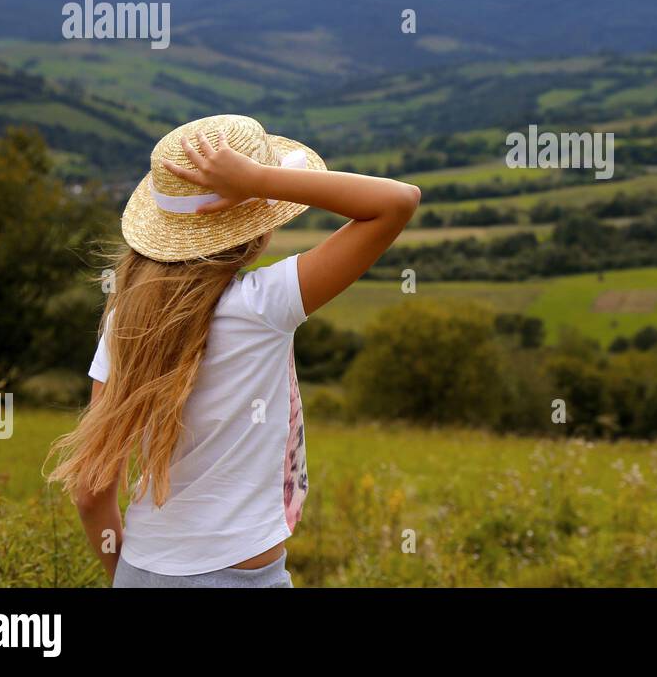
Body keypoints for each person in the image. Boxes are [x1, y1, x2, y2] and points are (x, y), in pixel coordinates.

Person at [47, 114, 420, 587]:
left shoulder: (126, 318)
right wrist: (262, 180)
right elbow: (398, 202)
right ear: (257, 228)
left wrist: (124, 574)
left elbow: (91, 488)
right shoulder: (264, 305)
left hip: (141, 571)